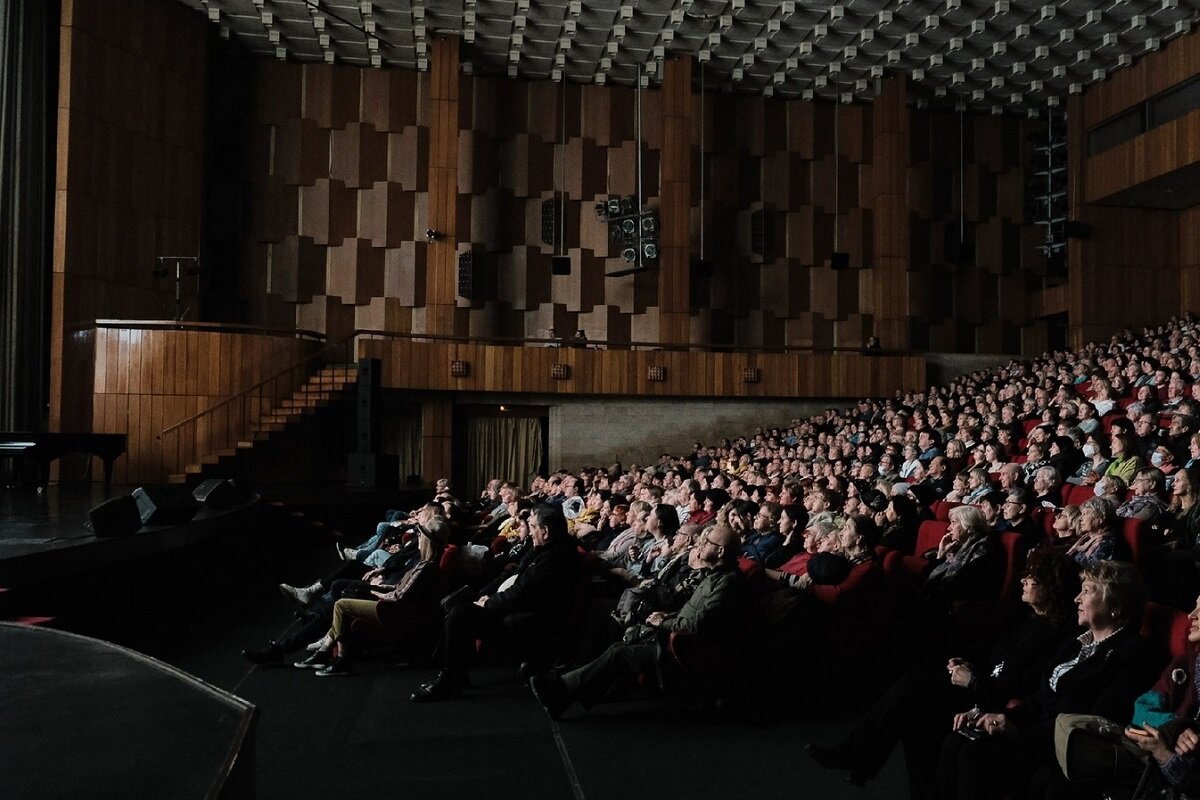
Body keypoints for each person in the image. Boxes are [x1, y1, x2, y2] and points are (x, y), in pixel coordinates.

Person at [806, 552, 1082, 797]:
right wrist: (968, 666)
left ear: (1051, 587)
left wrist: (973, 680)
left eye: (1031, 577)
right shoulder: (1026, 619)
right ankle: (864, 760)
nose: (1023, 580)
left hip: (993, 704)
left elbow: (1021, 688)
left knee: (915, 694)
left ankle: (858, 757)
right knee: (915, 693)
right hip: (982, 686)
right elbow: (997, 664)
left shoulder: (1057, 636)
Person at [934, 560, 1161, 800]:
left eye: (1087, 591)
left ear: (1116, 606)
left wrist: (1017, 732)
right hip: (1034, 730)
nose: (1077, 599)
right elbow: (1041, 697)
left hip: (1060, 745)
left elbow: (1094, 720)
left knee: (974, 753)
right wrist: (995, 716)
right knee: (957, 740)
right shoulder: (1078, 642)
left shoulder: (1132, 652)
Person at [528, 525, 744, 719]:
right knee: (618, 644)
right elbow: (690, 612)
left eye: (707, 542)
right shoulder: (713, 575)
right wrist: (666, 617)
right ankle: (563, 695)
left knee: (619, 653)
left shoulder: (728, 583)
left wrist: (663, 622)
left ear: (721, 551)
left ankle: (561, 691)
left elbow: (698, 624)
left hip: (685, 646)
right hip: (673, 634)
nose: (701, 543)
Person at [410, 504, 582, 702]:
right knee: (460, 606)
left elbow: (522, 593)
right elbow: (512, 575)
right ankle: (456, 674)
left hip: (532, 622)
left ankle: (450, 681)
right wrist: (482, 594)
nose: (529, 531)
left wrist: (488, 603)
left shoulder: (557, 557)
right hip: (516, 608)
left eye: (533, 527)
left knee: (460, 615)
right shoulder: (542, 548)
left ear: (546, 531)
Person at [1047, 592, 1200, 799]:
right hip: (1151, 765)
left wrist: (1164, 753)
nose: (1192, 615)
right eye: (1194, 606)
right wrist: (1176, 729)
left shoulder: (1134, 651)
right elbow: (1141, 710)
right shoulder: (1185, 663)